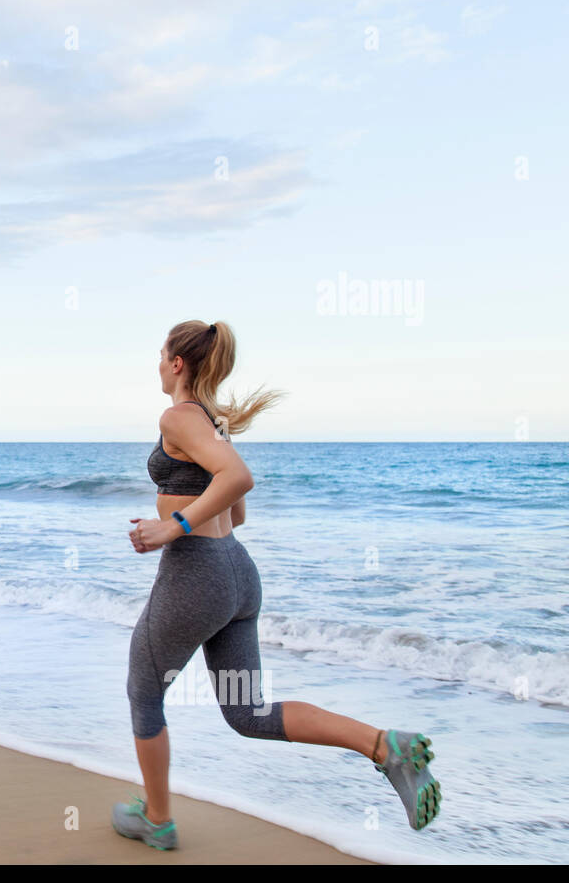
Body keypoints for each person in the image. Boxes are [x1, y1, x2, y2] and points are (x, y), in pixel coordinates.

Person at [111, 320, 441, 850]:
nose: (157, 363)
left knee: (143, 694)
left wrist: (173, 526)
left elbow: (238, 479)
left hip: (195, 574)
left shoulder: (177, 416)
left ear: (176, 363)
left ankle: (156, 819)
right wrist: (195, 519)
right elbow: (235, 512)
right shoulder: (214, 422)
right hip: (236, 575)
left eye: (160, 354)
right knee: (249, 713)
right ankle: (383, 746)